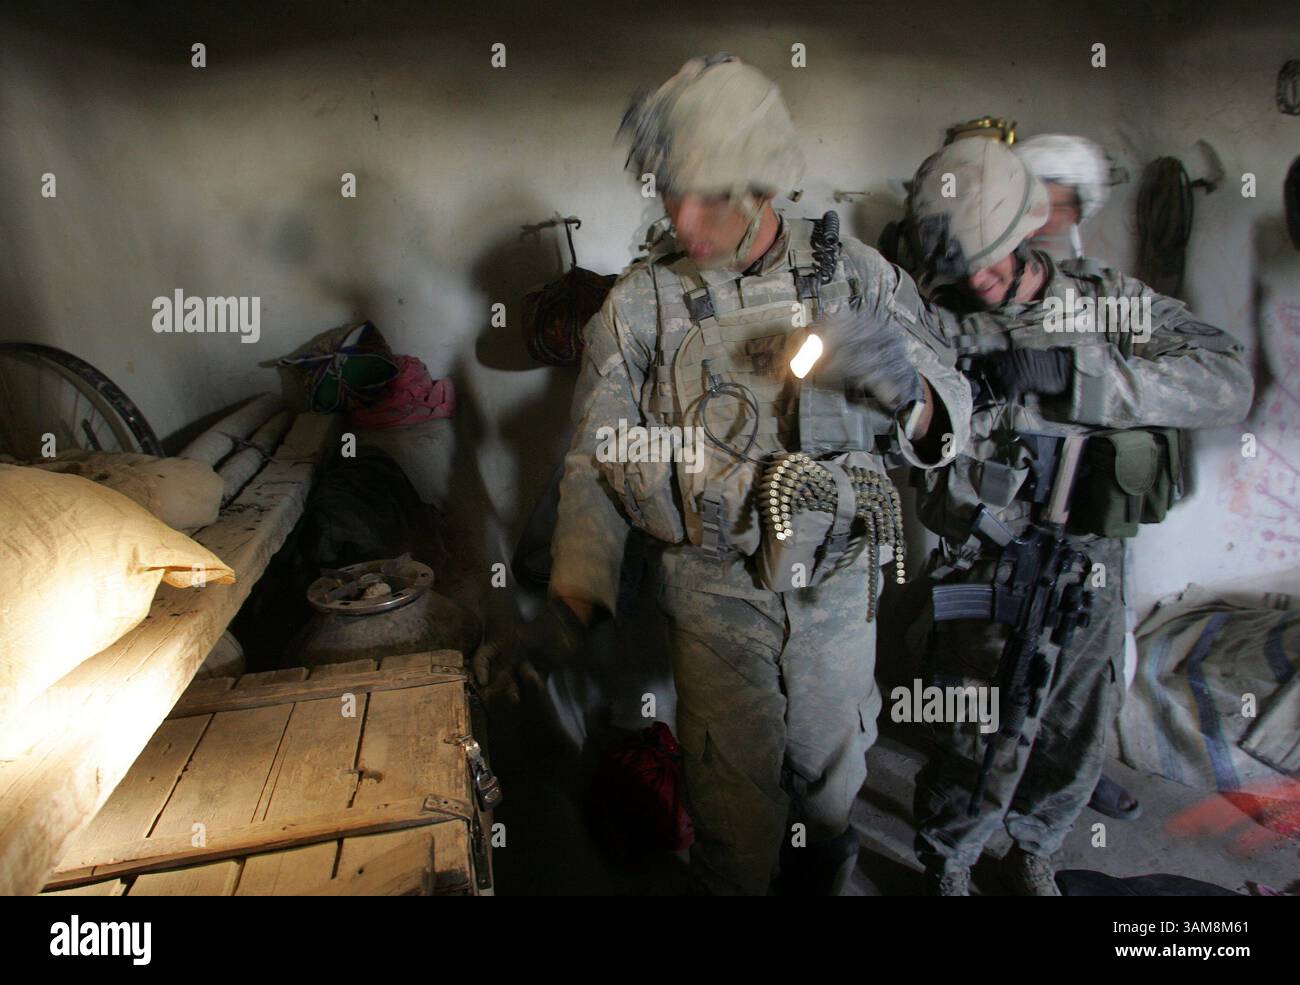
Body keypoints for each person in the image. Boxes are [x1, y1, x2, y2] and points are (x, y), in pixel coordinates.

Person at [476, 54, 971, 895]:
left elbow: (949, 419)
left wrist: (908, 386)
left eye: (706, 196)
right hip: (712, 596)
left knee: (831, 794)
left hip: (835, 589)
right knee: (733, 817)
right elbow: (597, 460)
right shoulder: (640, 306)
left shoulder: (856, 276)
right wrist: (570, 603)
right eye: (671, 193)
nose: (684, 218)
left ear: (762, 191)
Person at [904, 137, 1253, 896]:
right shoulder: (936, 318)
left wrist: (1082, 376)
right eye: (965, 266)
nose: (982, 280)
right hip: (988, 563)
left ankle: (1036, 847)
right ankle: (950, 862)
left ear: (1028, 230)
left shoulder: (1102, 301)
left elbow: (1227, 381)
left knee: (1075, 719)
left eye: (994, 258)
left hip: (1091, 557)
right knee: (972, 729)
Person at [1015, 133, 1144, 822]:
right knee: (1000, 670)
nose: (1052, 215)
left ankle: (1063, 790)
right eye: (1040, 199)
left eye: (1063, 202)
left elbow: (1211, 377)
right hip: (1009, 520)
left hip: (1091, 512)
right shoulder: (974, 285)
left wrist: (1081, 378)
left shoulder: (1099, 287)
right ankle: (971, 819)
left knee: (1088, 672)